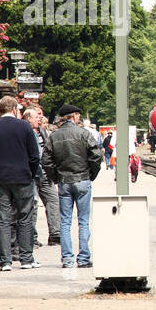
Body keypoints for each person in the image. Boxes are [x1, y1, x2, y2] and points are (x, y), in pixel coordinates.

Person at [0, 95, 42, 271]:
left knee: (2, 219)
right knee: (25, 217)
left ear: (0, 109)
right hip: (23, 178)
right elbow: (34, 155)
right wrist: (30, 172)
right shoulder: (24, 127)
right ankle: (26, 259)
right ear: (15, 109)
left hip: (0, 179)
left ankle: (5, 261)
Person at [42, 104, 103, 268]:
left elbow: (46, 161)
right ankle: (83, 258)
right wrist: (91, 175)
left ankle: (67, 259)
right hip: (83, 180)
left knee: (65, 221)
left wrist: (56, 177)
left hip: (64, 182)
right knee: (83, 221)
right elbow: (96, 156)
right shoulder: (84, 134)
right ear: (74, 116)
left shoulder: (54, 136)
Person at [25, 105, 60, 247]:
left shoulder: (44, 132)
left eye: (41, 114)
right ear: (29, 118)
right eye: (37, 114)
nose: (40, 117)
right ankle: (31, 237)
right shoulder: (24, 131)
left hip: (45, 174)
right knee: (32, 205)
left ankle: (55, 234)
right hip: (31, 174)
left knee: (53, 200)